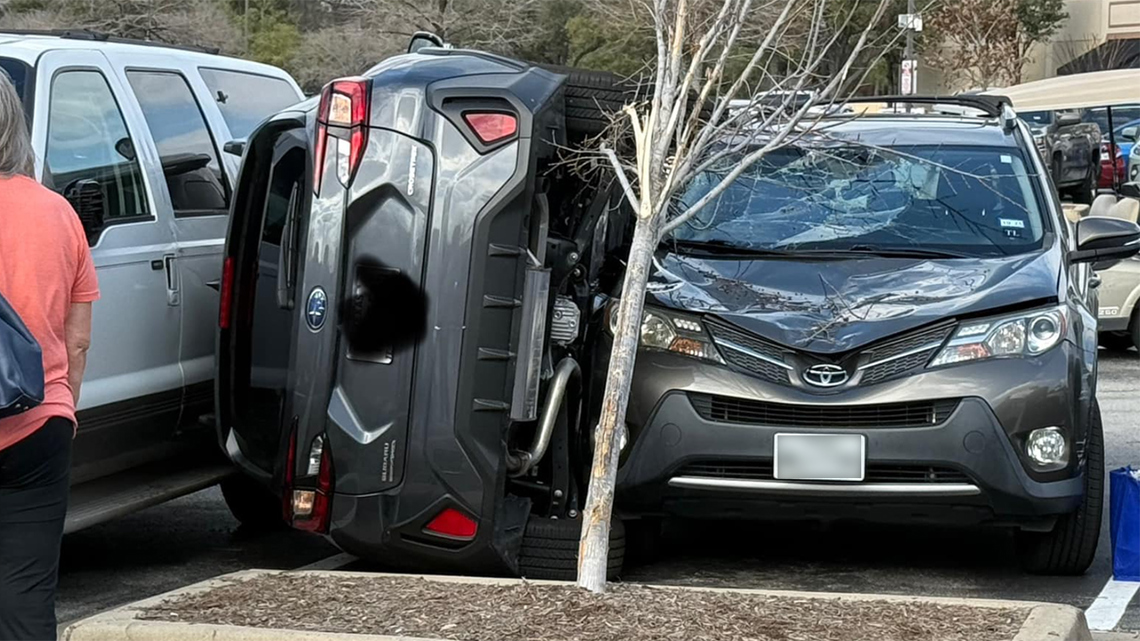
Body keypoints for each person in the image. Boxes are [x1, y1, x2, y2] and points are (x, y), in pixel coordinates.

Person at [0, 70, 98, 640]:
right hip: (39, 423)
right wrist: (64, 407)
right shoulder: (58, 213)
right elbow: (77, 337)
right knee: (25, 590)